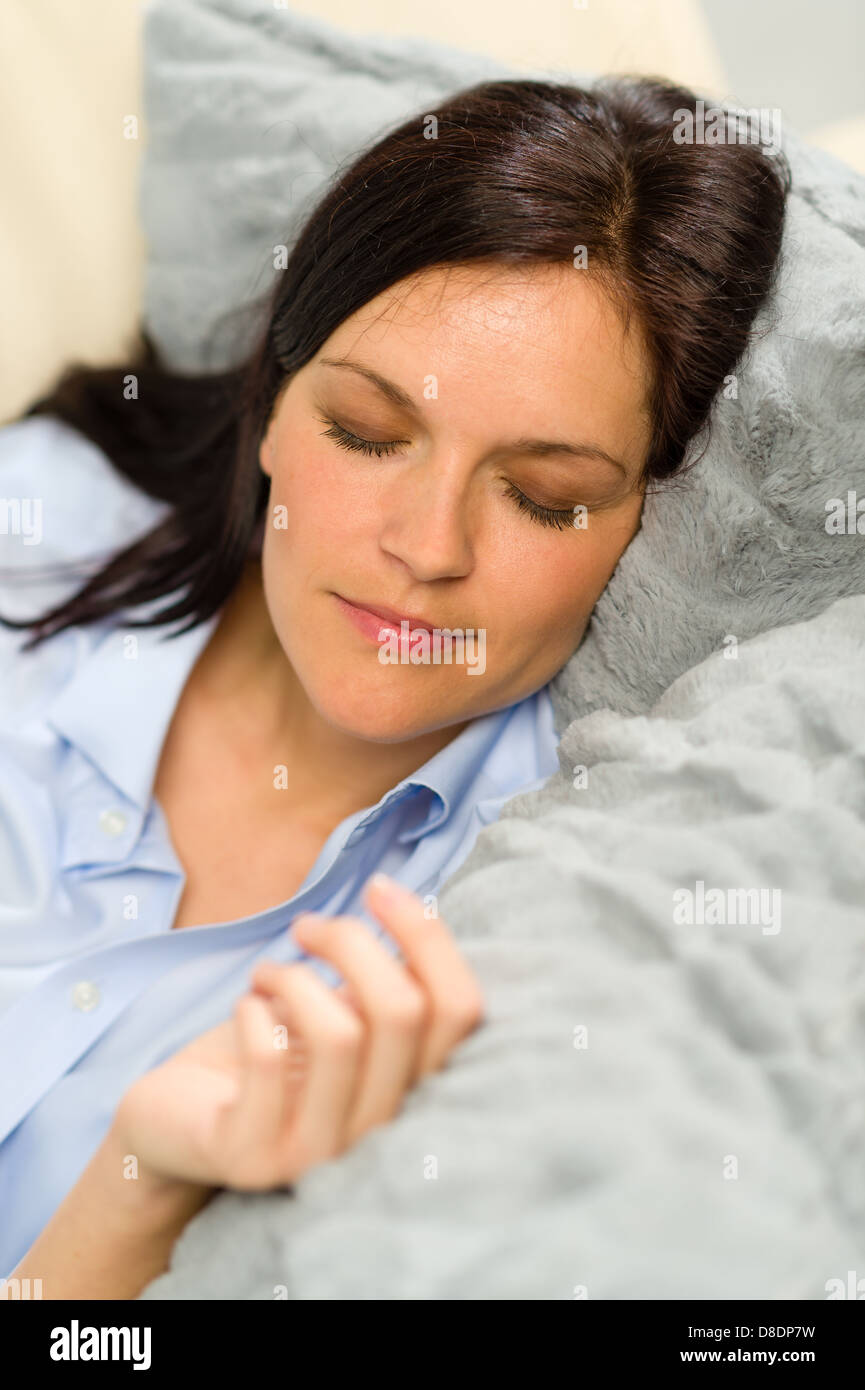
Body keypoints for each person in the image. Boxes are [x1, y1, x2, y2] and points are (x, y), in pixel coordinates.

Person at [0, 74, 790, 1299]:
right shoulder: (36, 527)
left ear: (646, 526)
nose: (428, 547)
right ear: (269, 399)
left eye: (542, 496)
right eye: (368, 430)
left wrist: (136, 1193)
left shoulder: (522, 917)